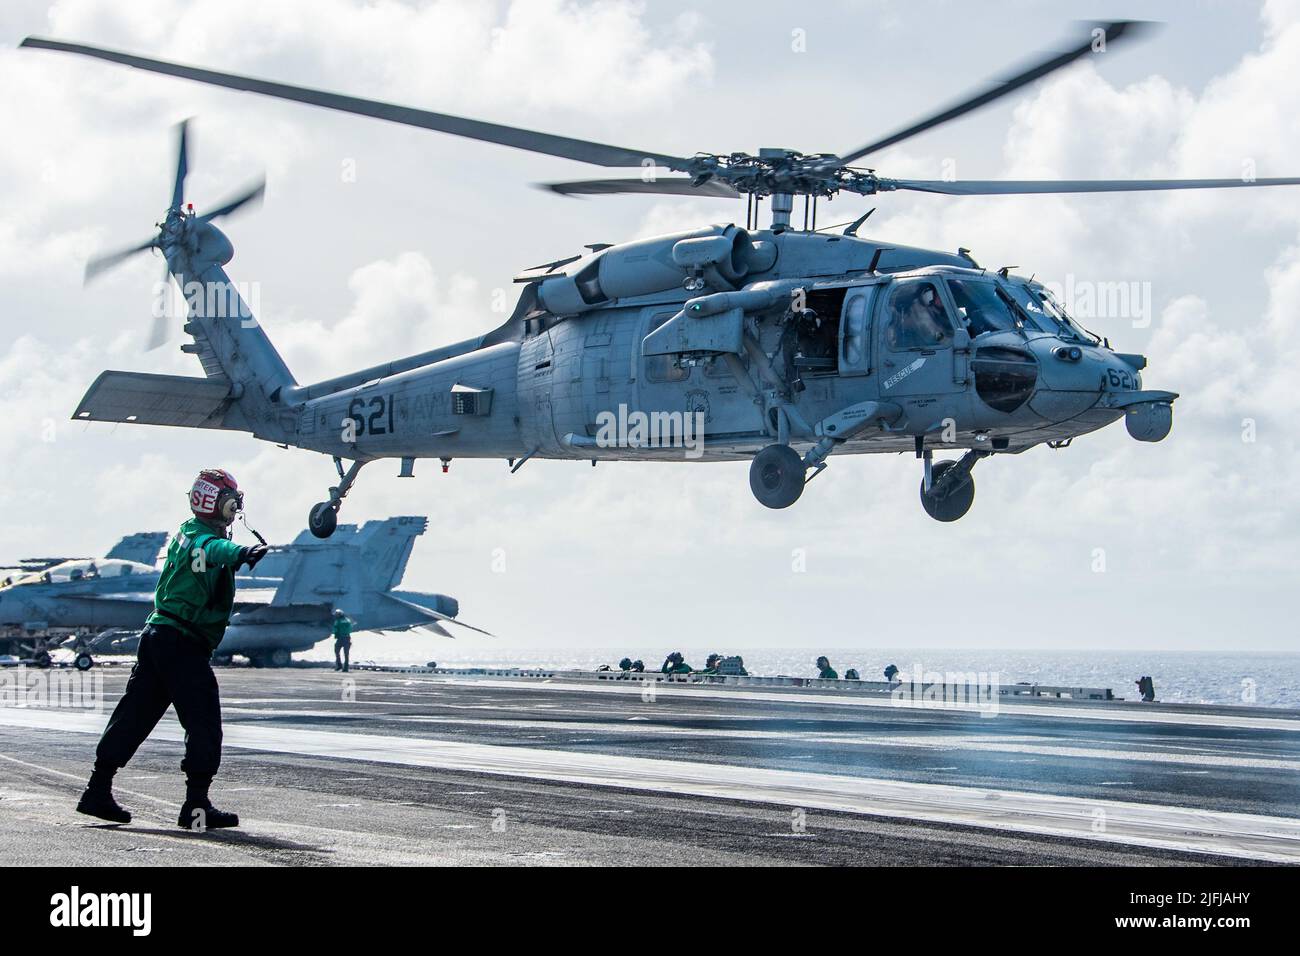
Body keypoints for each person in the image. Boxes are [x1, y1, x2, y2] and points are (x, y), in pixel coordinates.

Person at [75, 469, 267, 830]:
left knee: (134, 715)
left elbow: (208, 550)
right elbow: (211, 551)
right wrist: (241, 551)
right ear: (216, 501)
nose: (236, 505)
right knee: (203, 722)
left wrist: (234, 549)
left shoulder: (186, 531)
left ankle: (96, 790)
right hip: (181, 642)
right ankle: (196, 807)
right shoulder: (201, 538)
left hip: (159, 636)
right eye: (232, 498)